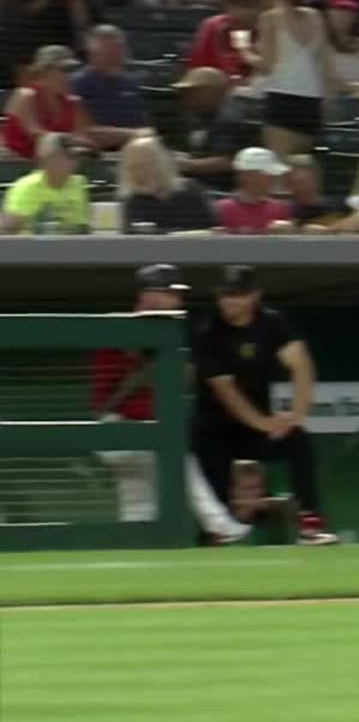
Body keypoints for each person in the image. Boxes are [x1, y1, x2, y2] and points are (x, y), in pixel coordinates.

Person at [89, 264, 251, 544]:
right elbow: (142, 362)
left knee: (138, 503)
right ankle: (219, 525)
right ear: (146, 294)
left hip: (139, 433)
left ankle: (133, 551)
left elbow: (182, 380)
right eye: (169, 293)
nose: (177, 300)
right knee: (179, 461)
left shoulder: (169, 333)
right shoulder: (122, 326)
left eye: (178, 294)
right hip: (120, 428)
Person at [191, 265, 338, 546]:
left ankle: (310, 524)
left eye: (236, 295)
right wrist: (264, 423)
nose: (228, 301)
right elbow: (227, 392)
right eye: (224, 295)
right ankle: (211, 543)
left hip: (254, 430)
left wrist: (297, 414)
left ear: (254, 296)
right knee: (217, 520)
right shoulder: (208, 332)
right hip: (214, 431)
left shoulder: (272, 324)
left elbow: (301, 365)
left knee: (298, 441)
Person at [252, 0, 337, 159]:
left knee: (279, 170)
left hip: (283, 100)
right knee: (302, 170)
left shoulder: (269, 18)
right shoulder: (316, 16)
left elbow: (267, 66)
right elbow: (325, 67)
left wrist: (243, 51)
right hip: (311, 105)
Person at [117, 135, 216, 232]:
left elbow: (211, 230)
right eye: (135, 167)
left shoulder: (191, 192)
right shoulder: (134, 203)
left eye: (148, 164)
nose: (142, 172)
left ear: (162, 163)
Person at [1, 131, 89, 233]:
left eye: (77, 158)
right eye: (70, 157)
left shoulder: (77, 184)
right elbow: (7, 233)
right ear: (49, 159)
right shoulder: (27, 187)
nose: (75, 163)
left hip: (67, 247)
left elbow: (81, 229)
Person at [217, 146, 295, 234]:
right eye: (269, 175)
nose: (274, 179)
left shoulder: (280, 209)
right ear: (250, 177)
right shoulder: (223, 209)